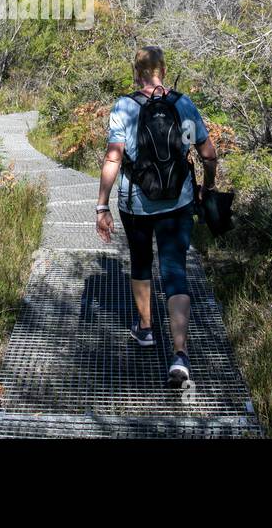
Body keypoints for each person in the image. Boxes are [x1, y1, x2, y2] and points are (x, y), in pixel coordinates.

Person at [95, 46, 217, 386]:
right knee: (175, 270)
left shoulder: (124, 106)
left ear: (136, 73)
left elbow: (114, 157)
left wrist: (102, 205)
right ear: (163, 70)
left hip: (136, 204)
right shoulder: (182, 105)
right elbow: (206, 153)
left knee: (140, 262)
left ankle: (146, 329)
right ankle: (180, 355)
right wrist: (206, 186)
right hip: (178, 203)